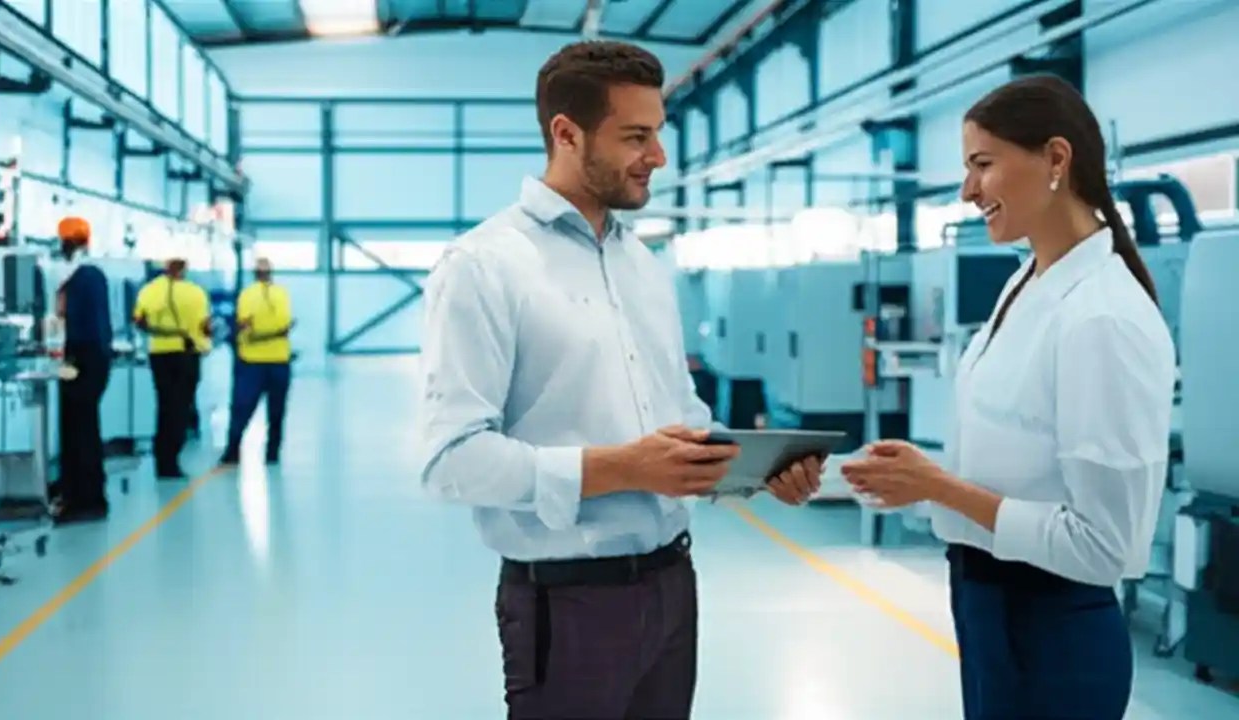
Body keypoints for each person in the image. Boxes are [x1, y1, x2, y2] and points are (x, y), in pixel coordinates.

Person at [418, 41, 823, 720]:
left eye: (657, 133)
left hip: (672, 587)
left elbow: (678, 415)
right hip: (566, 603)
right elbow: (450, 461)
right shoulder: (485, 267)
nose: (658, 156)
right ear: (566, 134)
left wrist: (745, 468)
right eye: (636, 136)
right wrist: (625, 468)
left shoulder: (642, 264)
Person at [842, 74, 1175, 720]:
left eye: (982, 166)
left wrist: (940, 488)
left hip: (1051, 631)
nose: (967, 191)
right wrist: (928, 474)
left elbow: (1106, 546)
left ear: (1055, 158)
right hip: (991, 610)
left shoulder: (1101, 316)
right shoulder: (1028, 279)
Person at [51, 216, 114, 524]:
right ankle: (86, 495)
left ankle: (82, 499)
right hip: (94, 360)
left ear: (67, 243)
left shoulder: (78, 277)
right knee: (85, 426)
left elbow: (64, 318)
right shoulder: (94, 274)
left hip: (79, 361)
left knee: (77, 428)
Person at [133, 257, 211, 479]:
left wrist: (160, 329)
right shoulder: (195, 292)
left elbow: (139, 321)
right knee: (181, 406)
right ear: (184, 269)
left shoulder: (149, 291)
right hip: (187, 354)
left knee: (165, 404)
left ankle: (162, 459)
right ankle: (171, 461)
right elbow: (205, 326)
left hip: (159, 354)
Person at [219, 258, 293, 466]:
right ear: (271, 273)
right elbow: (284, 325)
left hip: (251, 361)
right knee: (276, 411)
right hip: (279, 360)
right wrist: (274, 333)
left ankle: (232, 451)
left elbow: (243, 324)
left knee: (242, 408)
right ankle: (272, 454)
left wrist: (255, 335)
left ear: (254, 274)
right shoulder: (281, 294)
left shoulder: (247, 294)